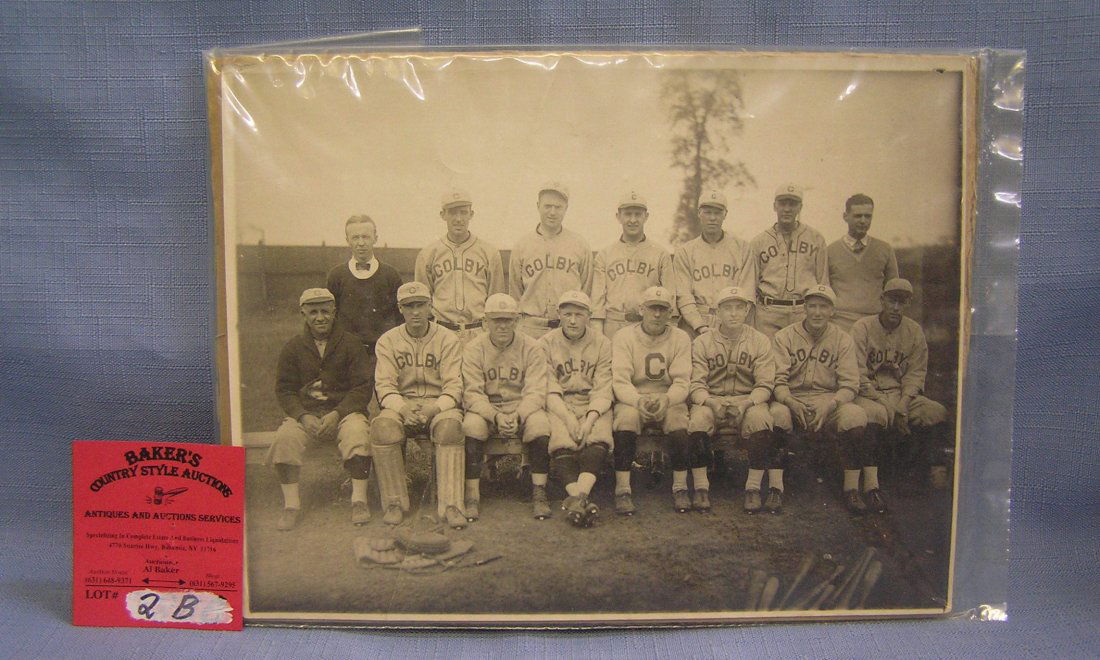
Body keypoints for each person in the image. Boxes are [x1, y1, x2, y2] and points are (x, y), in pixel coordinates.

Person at [266, 288, 372, 531]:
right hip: (307, 415)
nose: (320, 317)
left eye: (325, 311)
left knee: (357, 433)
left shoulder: (351, 344)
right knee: (285, 438)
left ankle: (359, 501)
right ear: (303, 313)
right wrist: (302, 416)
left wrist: (338, 413)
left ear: (334, 312)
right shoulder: (293, 347)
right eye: (313, 312)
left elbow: (362, 387)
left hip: (344, 413)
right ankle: (291, 506)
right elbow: (284, 390)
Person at [770, 284, 877, 514]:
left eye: (823, 307)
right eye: (812, 306)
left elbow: (850, 385)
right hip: (792, 397)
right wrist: (789, 401)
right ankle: (775, 488)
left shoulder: (843, 339)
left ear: (832, 311)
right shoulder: (784, 337)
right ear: (804, 309)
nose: (817, 312)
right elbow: (777, 382)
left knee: (856, 415)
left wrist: (831, 405)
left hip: (829, 399)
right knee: (777, 415)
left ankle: (851, 489)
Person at [370, 282, 466, 528]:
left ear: (430, 306)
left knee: (450, 430)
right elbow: (384, 387)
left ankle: (452, 504)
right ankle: (394, 502)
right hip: (402, 404)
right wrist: (402, 409)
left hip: (438, 404)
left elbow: (454, 386)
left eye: (420, 305)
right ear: (400, 309)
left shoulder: (448, 338)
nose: (415, 312)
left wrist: (433, 409)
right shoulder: (388, 341)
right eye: (409, 306)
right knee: (383, 428)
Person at [851, 278, 950, 495]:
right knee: (873, 415)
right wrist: (886, 405)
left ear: (908, 304)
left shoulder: (914, 331)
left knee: (935, 411)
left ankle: (927, 470)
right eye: (892, 300)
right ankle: (872, 481)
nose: (896, 307)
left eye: (902, 302)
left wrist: (903, 405)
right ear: (882, 300)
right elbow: (856, 374)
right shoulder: (863, 328)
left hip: (901, 396)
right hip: (869, 395)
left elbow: (915, 375)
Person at [687, 286, 779, 514]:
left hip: (747, 400)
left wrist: (746, 403)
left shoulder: (760, 340)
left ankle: (753, 488)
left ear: (747, 310)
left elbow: (765, 385)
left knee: (761, 419)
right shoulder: (702, 342)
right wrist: (710, 402)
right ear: (718, 311)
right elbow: (696, 385)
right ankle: (700, 487)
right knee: (697, 420)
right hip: (712, 399)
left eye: (739, 307)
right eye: (728, 308)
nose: (734, 313)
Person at [461, 293, 552, 520]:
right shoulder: (473, 348)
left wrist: (518, 415)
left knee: (540, 424)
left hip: (521, 407)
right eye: (496, 320)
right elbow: (472, 394)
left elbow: (536, 391)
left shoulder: (532, 347)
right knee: (471, 425)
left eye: (507, 320)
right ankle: (472, 494)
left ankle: (539, 491)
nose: (502, 325)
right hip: (487, 409)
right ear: (485, 322)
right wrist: (495, 416)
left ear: (517, 321)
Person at [611, 286, 694, 514]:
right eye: (651, 308)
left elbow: (682, 381)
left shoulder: (680, 337)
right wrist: (637, 401)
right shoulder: (624, 336)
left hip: (667, 398)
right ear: (641, 309)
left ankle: (680, 487)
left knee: (679, 422)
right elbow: (620, 381)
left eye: (662, 309)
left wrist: (667, 400)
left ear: (670, 312)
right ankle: (623, 489)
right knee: (625, 420)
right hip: (634, 398)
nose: (657, 314)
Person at [539, 290, 613, 527]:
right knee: (561, 438)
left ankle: (576, 499)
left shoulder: (602, 342)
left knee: (599, 435)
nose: (572, 320)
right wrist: (569, 418)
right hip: (560, 403)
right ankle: (583, 498)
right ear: (559, 315)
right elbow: (548, 388)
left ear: (589, 316)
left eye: (579, 314)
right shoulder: (546, 343)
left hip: (593, 403)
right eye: (567, 314)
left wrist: (590, 419)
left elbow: (603, 388)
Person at [414, 188, 505, 344]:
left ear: (471, 214)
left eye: (463, 212)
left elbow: (495, 299)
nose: (458, 219)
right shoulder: (428, 254)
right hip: (441, 332)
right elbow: (422, 301)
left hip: (478, 332)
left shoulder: (489, 252)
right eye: (452, 213)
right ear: (443, 215)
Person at [326, 215, 404, 396]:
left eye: (366, 237)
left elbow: (400, 316)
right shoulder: (337, 276)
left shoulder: (390, 275)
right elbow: (331, 316)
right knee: (349, 405)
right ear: (347, 241)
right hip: (348, 353)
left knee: (389, 401)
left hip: (383, 352)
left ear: (375, 238)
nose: (361, 243)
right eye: (355, 237)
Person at [740, 184, 829, 337]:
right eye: (782, 203)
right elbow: (750, 286)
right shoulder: (759, 242)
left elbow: (823, 282)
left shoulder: (816, 239)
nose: (787, 209)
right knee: (769, 359)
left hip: (802, 312)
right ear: (775, 206)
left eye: (792, 204)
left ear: (800, 207)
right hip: (769, 313)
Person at [509, 182, 593, 338]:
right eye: (547, 206)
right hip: (530, 327)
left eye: (558, 207)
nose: (552, 212)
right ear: (538, 206)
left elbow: (586, 290)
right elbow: (515, 291)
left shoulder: (580, 245)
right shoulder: (522, 245)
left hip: (566, 329)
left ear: (566, 208)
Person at [591, 191, 673, 340]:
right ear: (618, 217)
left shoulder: (661, 254)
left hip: (647, 326)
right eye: (628, 214)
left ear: (646, 216)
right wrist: (598, 336)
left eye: (638, 214)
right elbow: (597, 305)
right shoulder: (605, 255)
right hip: (613, 325)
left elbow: (670, 300)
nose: (633, 220)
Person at [673, 188, 749, 338]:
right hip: (695, 323)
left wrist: (732, 325)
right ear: (699, 214)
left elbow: (747, 294)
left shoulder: (742, 248)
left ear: (725, 214)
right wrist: (699, 325)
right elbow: (684, 296)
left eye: (717, 212)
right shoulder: (685, 251)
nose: (712, 218)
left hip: (731, 321)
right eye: (708, 212)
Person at [826, 194, 900, 330]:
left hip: (876, 322)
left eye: (868, 216)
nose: (863, 221)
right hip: (840, 323)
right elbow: (824, 289)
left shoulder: (884, 249)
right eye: (857, 216)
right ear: (845, 216)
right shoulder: (830, 251)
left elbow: (893, 289)